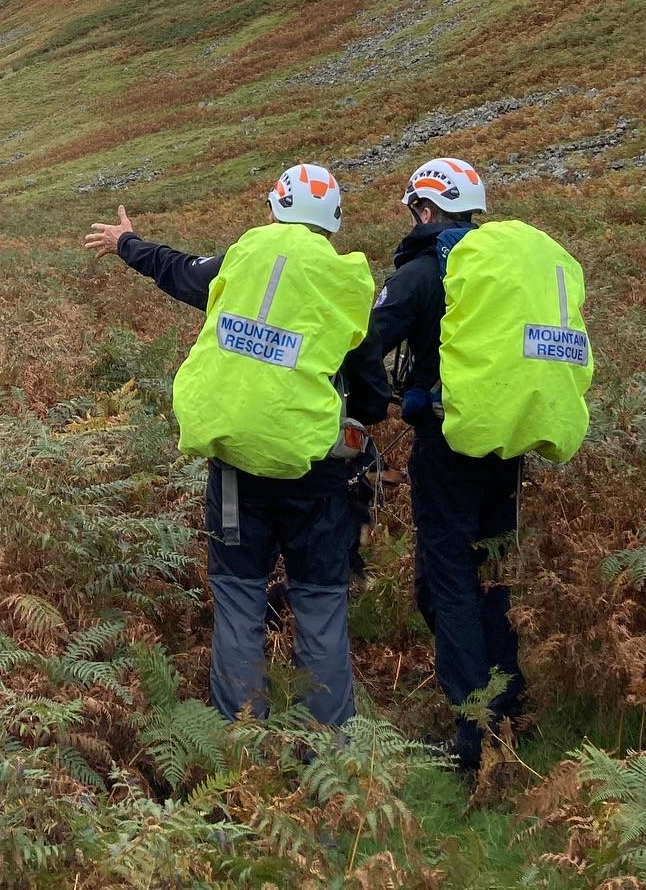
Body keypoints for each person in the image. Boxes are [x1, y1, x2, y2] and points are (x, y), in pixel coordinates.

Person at [86, 165, 391, 727]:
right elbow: (373, 399)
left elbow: (181, 273)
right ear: (333, 223)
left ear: (274, 208)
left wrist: (127, 243)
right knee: (320, 607)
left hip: (234, 470)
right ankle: (327, 755)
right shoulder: (346, 281)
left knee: (239, 599)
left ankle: (243, 747)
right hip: (319, 474)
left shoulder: (244, 257)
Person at [367, 156, 591, 772]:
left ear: (426, 208)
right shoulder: (502, 264)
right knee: (493, 572)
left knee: (449, 578)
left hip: (449, 443)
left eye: (416, 207)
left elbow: (365, 341)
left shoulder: (425, 268)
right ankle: (511, 707)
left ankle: (476, 735)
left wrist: (372, 403)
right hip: (510, 441)